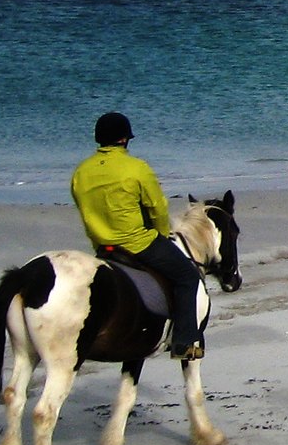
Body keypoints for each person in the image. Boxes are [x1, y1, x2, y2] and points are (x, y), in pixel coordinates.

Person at [70, 112, 205, 359]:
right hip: (138, 243)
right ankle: (184, 343)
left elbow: (84, 209)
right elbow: (158, 207)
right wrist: (161, 235)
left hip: (103, 246)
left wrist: (99, 240)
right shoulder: (137, 168)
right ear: (124, 139)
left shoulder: (81, 172)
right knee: (187, 276)